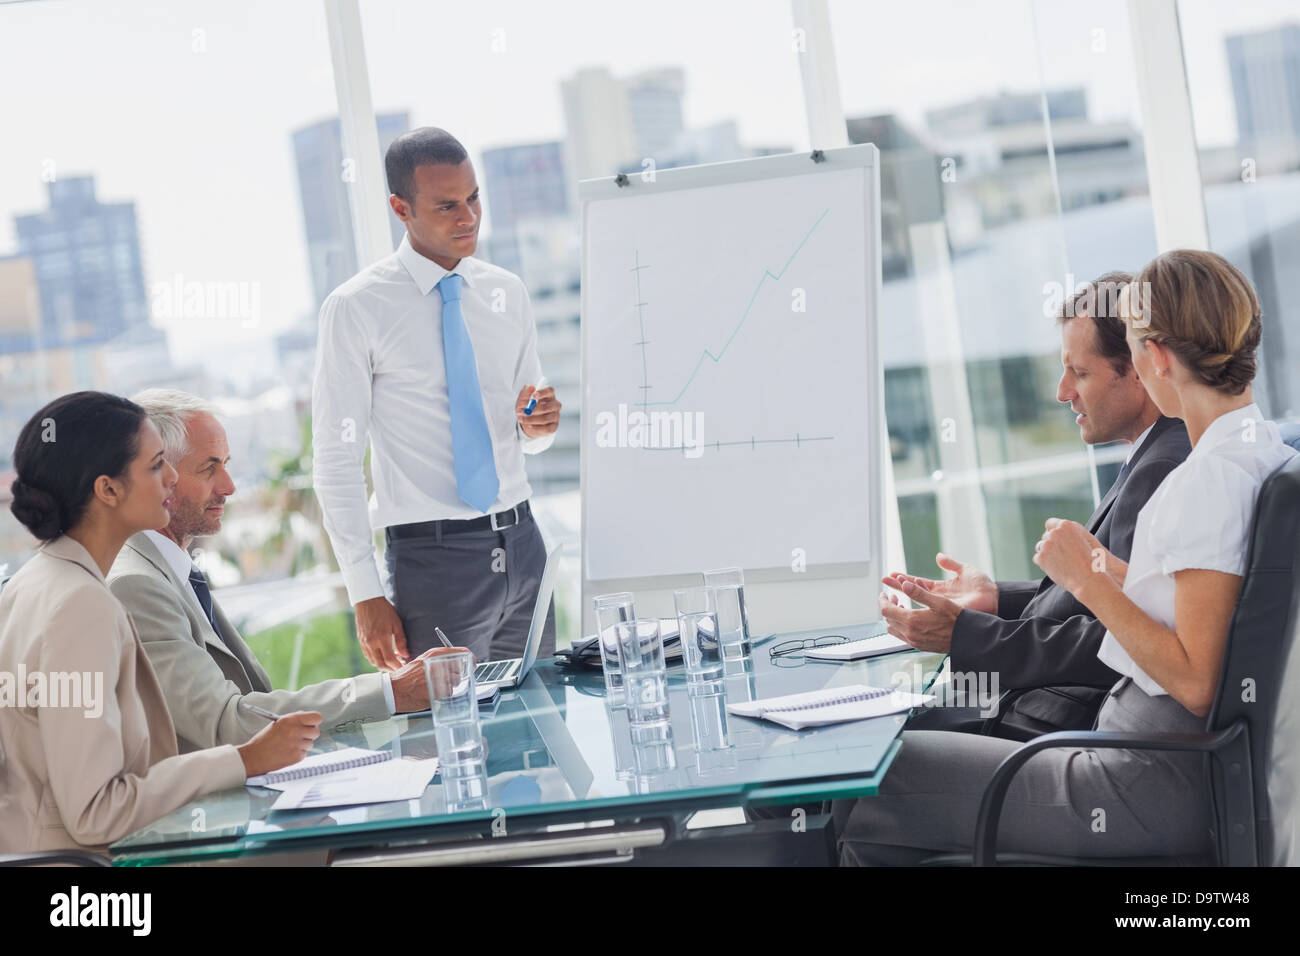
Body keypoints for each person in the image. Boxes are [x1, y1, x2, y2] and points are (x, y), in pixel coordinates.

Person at [834, 249, 1297, 864]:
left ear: (1154, 357)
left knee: (870, 775)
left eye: (1132, 347)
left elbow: (1195, 678)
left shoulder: (1205, 480)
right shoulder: (1258, 452)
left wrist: (1089, 577)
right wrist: (1095, 572)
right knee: (882, 802)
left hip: (1137, 779)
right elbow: (1186, 607)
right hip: (1143, 759)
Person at [0, 392, 321, 855]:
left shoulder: (36, 579)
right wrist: (242, 759)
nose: (171, 477)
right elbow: (95, 812)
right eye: (155, 466)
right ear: (108, 490)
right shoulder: (81, 605)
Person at [883, 272, 1191, 738]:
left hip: (1049, 728)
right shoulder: (1152, 453)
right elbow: (1099, 602)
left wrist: (969, 634)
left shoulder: (1162, 467)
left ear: (1138, 368)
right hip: (1038, 710)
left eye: (1080, 372)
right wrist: (996, 600)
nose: (1062, 391)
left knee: (842, 765)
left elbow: (1120, 637)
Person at [312, 126, 560, 671]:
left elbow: (526, 430)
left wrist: (537, 426)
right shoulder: (356, 308)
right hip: (434, 561)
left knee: (547, 734)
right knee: (444, 743)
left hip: (524, 546)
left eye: (474, 198)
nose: (468, 217)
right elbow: (335, 460)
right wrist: (364, 592)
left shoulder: (506, 293)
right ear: (401, 208)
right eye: (446, 205)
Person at [107, 389, 453, 754]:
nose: (229, 486)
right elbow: (227, 722)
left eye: (226, 464)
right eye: (209, 468)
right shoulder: (135, 585)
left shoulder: (167, 567)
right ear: (156, 476)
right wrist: (390, 691)